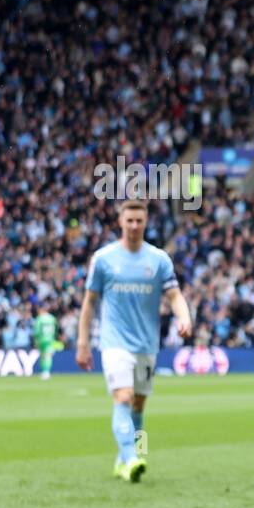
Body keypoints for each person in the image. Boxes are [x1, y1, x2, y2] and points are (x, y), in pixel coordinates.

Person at [76, 200, 193, 481]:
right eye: (129, 220)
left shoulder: (159, 259)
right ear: (120, 222)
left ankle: (125, 457)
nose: (134, 226)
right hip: (114, 343)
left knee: (139, 406)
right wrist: (82, 341)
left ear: (146, 222)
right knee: (124, 397)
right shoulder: (103, 259)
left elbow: (174, 295)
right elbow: (89, 302)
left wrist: (184, 316)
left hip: (147, 345)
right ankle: (130, 460)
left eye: (139, 221)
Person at [33, 305, 59, 380]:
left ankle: (45, 371)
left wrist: (36, 340)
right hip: (50, 339)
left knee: (43, 356)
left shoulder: (40, 318)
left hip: (42, 339)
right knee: (48, 356)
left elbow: (37, 331)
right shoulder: (52, 318)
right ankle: (46, 372)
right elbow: (56, 329)